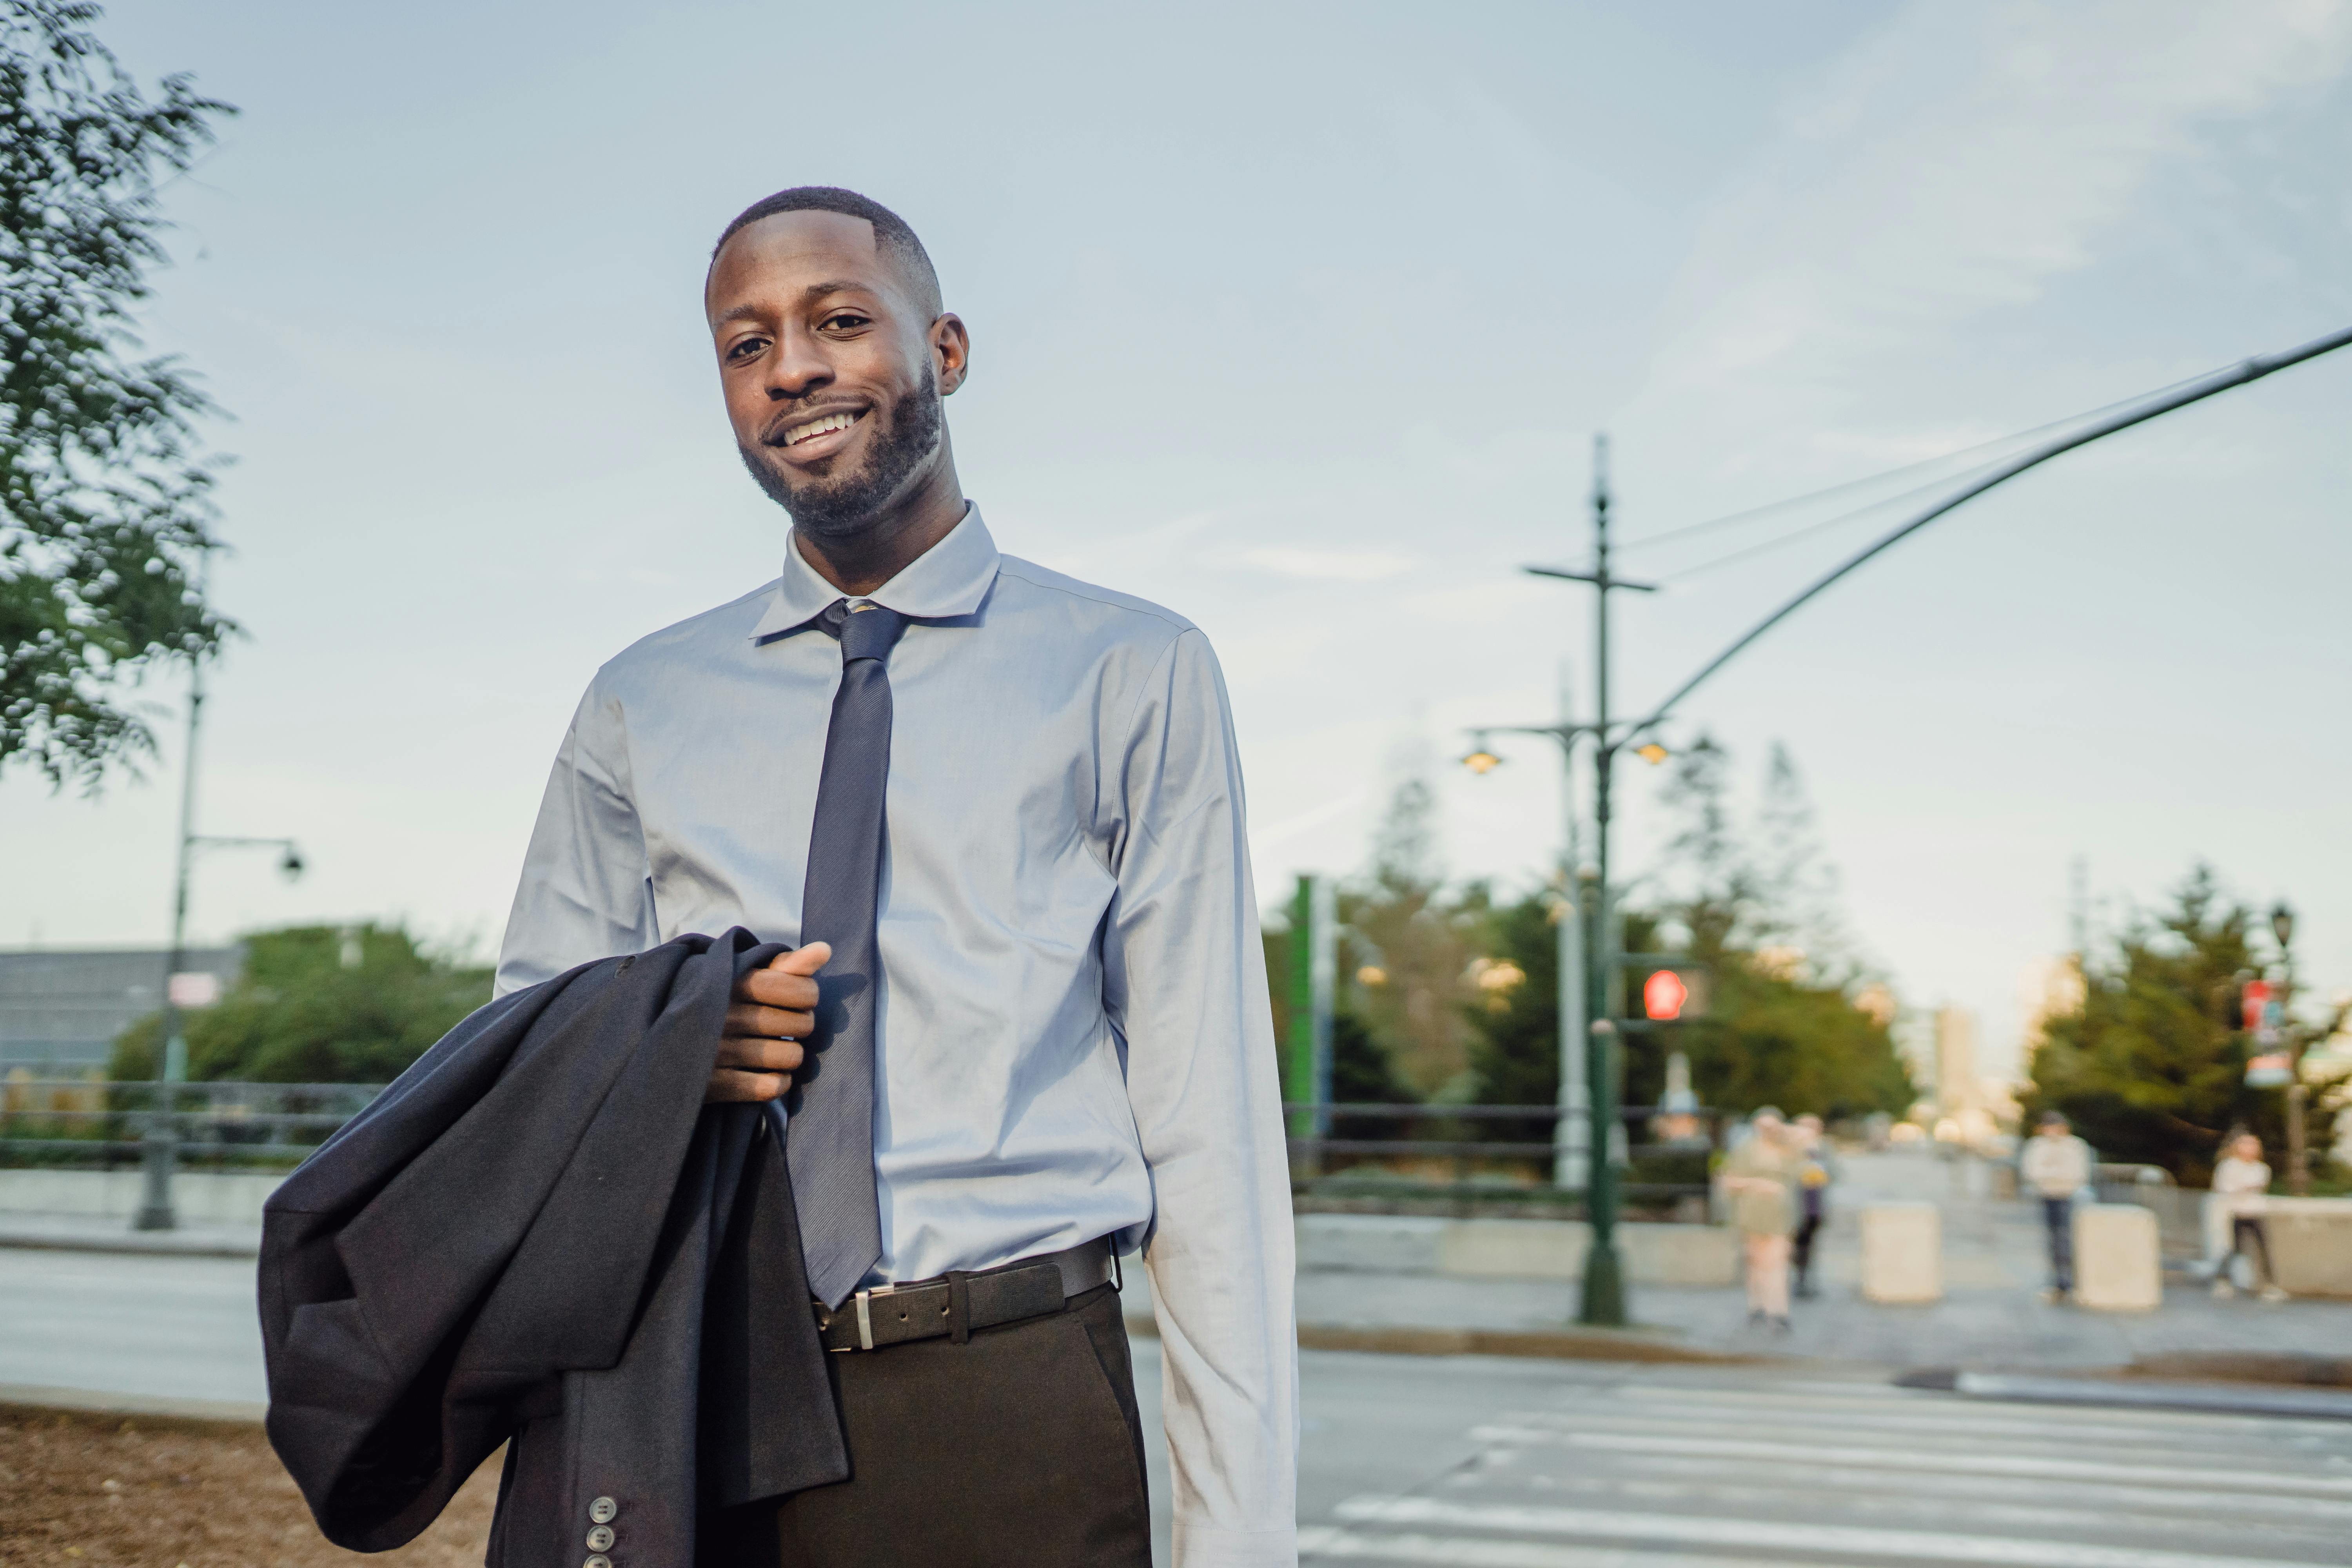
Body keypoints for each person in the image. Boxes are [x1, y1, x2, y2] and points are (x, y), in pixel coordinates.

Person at [495, 188, 1296, 1567]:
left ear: (950, 351)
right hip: (694, 1394)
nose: (791, 367)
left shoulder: (1131, 670)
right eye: (745, 346)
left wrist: (1242, 1541)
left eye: (842, 321)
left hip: (1006, 1399)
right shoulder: (640, 702)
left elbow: (1209, 1127)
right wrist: (666, 1042)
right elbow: (525, 1060)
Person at [1720, 1108, 1798, 1330]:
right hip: (1752, 1212)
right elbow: (1730, 1181)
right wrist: (1758, 1185)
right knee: (1756, 1262)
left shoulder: (1787, 1151)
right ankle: (1757, 1305)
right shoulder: (1746, 1151)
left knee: (1776, 1262)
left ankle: (1778, 1309)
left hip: (1779, 1215)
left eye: (1772, 1127)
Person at [2019, 1110, 2092, 1302]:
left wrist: (2051, 1173)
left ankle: (2070, 1282)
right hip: (2047, 1195)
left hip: (2069, 1197)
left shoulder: (2075, 1146)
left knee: (2068, 1239)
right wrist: (2055, 1174)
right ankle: (2058, 1281)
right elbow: (2032, 1171)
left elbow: (2077, 1173)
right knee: (2054, 1240)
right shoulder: (2037, 1146)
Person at [2211, 1132, 2287, 1302]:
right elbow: (2225, 1189)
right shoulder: (2228, 1166)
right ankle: (2223, 1279)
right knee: (2233, 1249)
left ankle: (2270, 1285)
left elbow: (2256, 1187)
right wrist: (2243, 1188)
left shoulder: (2261, 1168)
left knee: (2263, 1249)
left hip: (2256, 1213)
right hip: (2236, 1213)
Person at [1790, 1112, 1834, 1299]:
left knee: (1810, 1243)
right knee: (1794, 1243)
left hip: (1816, 1202)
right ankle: (1795, 1278)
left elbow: (1835, 1171)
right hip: (1795, 1203)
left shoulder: (1824, 1148)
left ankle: (1806, 1279)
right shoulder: (1790, 1148)